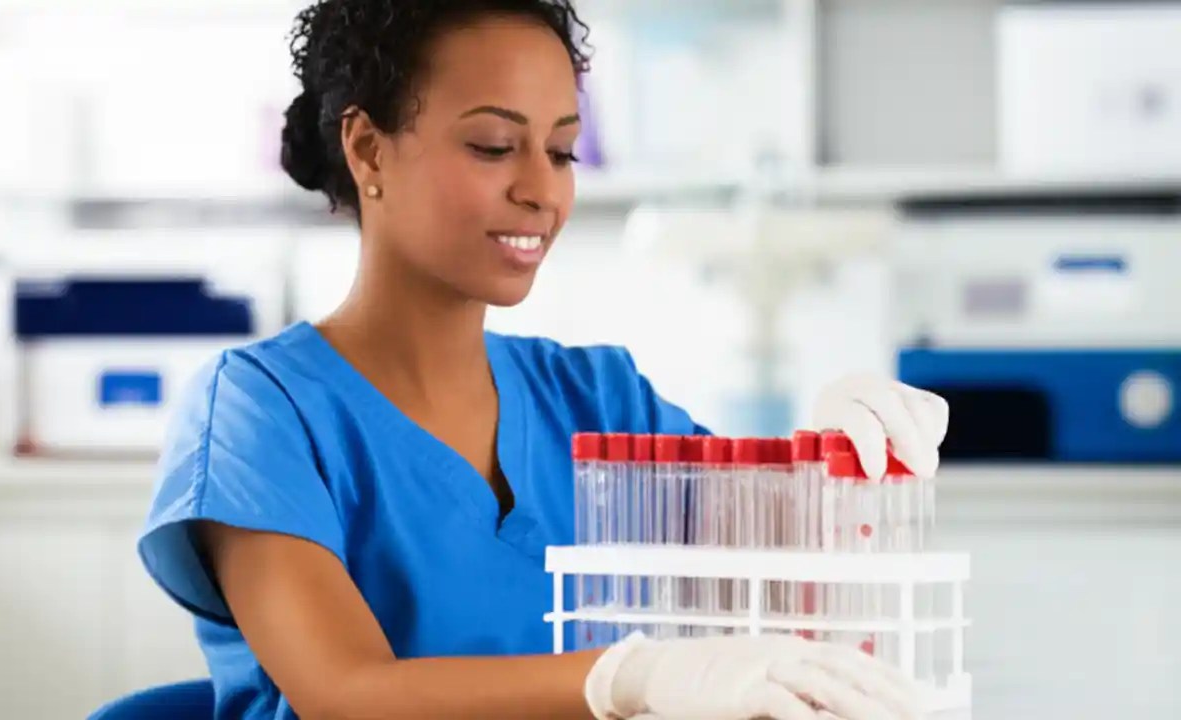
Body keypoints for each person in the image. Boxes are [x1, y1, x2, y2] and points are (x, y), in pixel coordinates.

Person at [137, 1, 949, 718]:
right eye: (494, 147)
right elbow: (347, 694)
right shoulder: (262, 411)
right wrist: (630, 679)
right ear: (368, 148)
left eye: (561, 152)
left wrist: (836, 452)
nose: (542, 190)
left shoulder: (598, 399)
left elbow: (783, 553)